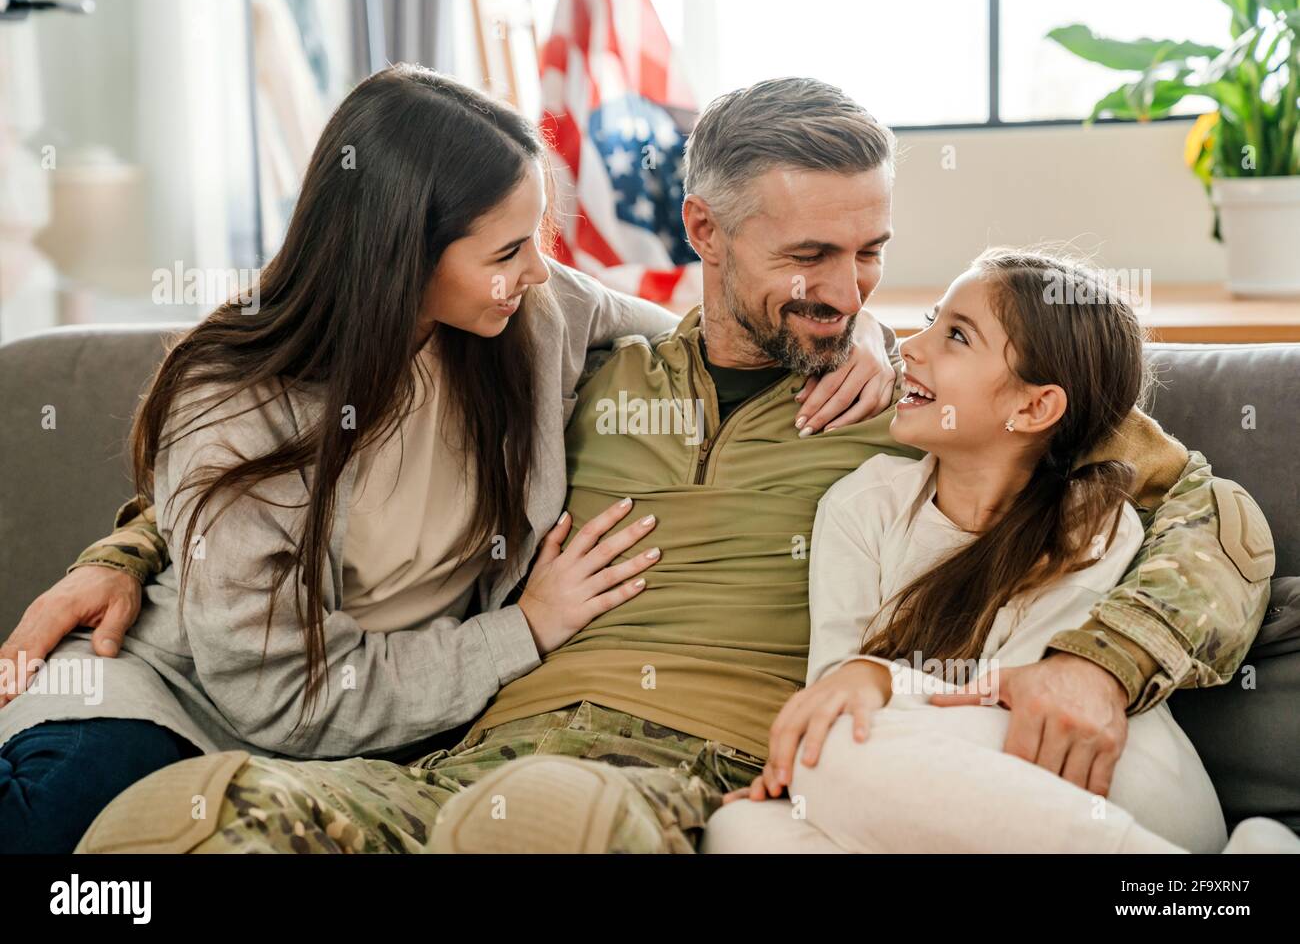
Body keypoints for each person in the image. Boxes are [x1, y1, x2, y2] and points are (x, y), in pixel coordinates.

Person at [71, 77, 1272, 854]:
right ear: (701, 232)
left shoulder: (929, 397)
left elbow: (1212, 514)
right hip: (475, 753)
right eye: (809, 254)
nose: (852, 293)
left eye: (871, 253)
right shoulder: (557, 356)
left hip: (695, 776)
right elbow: (271, 431)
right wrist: (135, 542)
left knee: (548, 826)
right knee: (173, 829)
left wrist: (1101, 665)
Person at [0, 66, 892, 854]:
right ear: (403, 255)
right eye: (509, 251)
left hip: (458, 732)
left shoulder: (535, 321)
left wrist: (874, 339)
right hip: (208, 688)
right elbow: (272, 670)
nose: (541, 271)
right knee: (73, 822)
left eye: (536, 239)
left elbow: (715, 336)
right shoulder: (244, 402)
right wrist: (128, 550)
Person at [706, 249, 1297, 854]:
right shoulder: (860, 505)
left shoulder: (1091, 520)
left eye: (957, 336)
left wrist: (875, 685)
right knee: (742, 830)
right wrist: (834, 725)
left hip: (1108, 781)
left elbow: (1023, 699)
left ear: (1034, 406)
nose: (911, 346)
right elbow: (834, 691)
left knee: (831, 753)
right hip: (957, 788)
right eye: (933, 320)